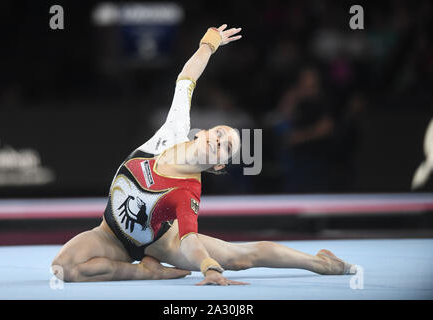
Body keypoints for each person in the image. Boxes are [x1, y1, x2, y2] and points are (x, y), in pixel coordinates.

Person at [52, 24, 356, 286]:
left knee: (242, 256)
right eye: (220, 134)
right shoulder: (173, 130)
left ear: (218, 165)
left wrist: (208, 267)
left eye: (227, 148)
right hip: (108, 233)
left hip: (161, 242)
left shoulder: (187, 192)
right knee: (62, 269)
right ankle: (146, 274)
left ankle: (321, 263)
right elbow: (186, 79)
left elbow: (189, 239)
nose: (220, 142)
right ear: (202, 132)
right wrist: (208, 45)